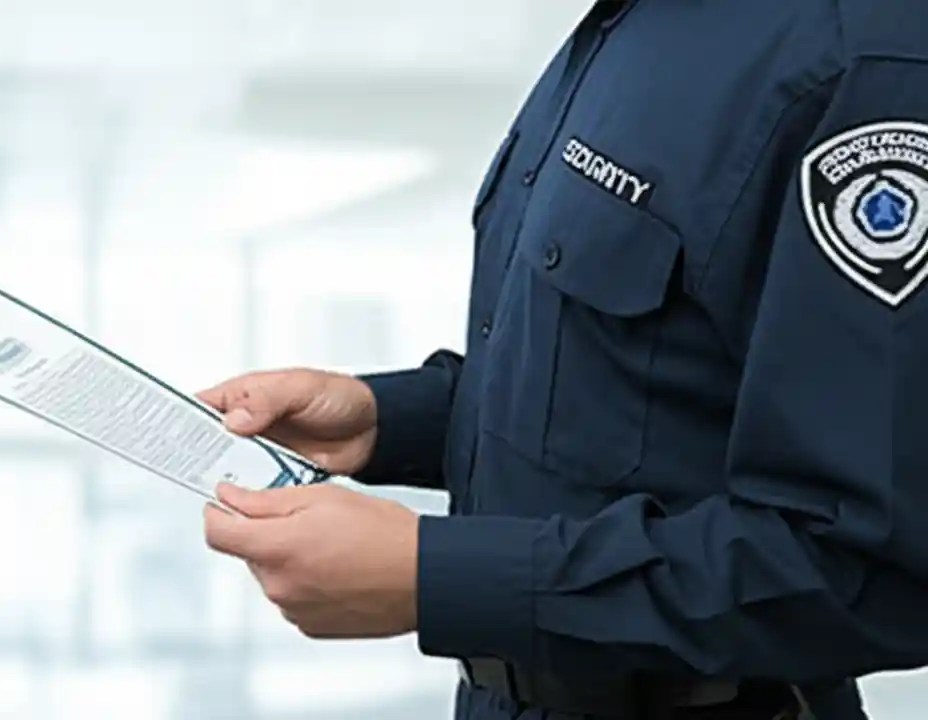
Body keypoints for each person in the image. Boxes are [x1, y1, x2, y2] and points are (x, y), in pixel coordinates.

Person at [199, 1, 928, 718]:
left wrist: (438, 577)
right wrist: (388, 421)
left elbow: (870, 570)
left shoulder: (864, 64)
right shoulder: (634, 26)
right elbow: (652, 386)